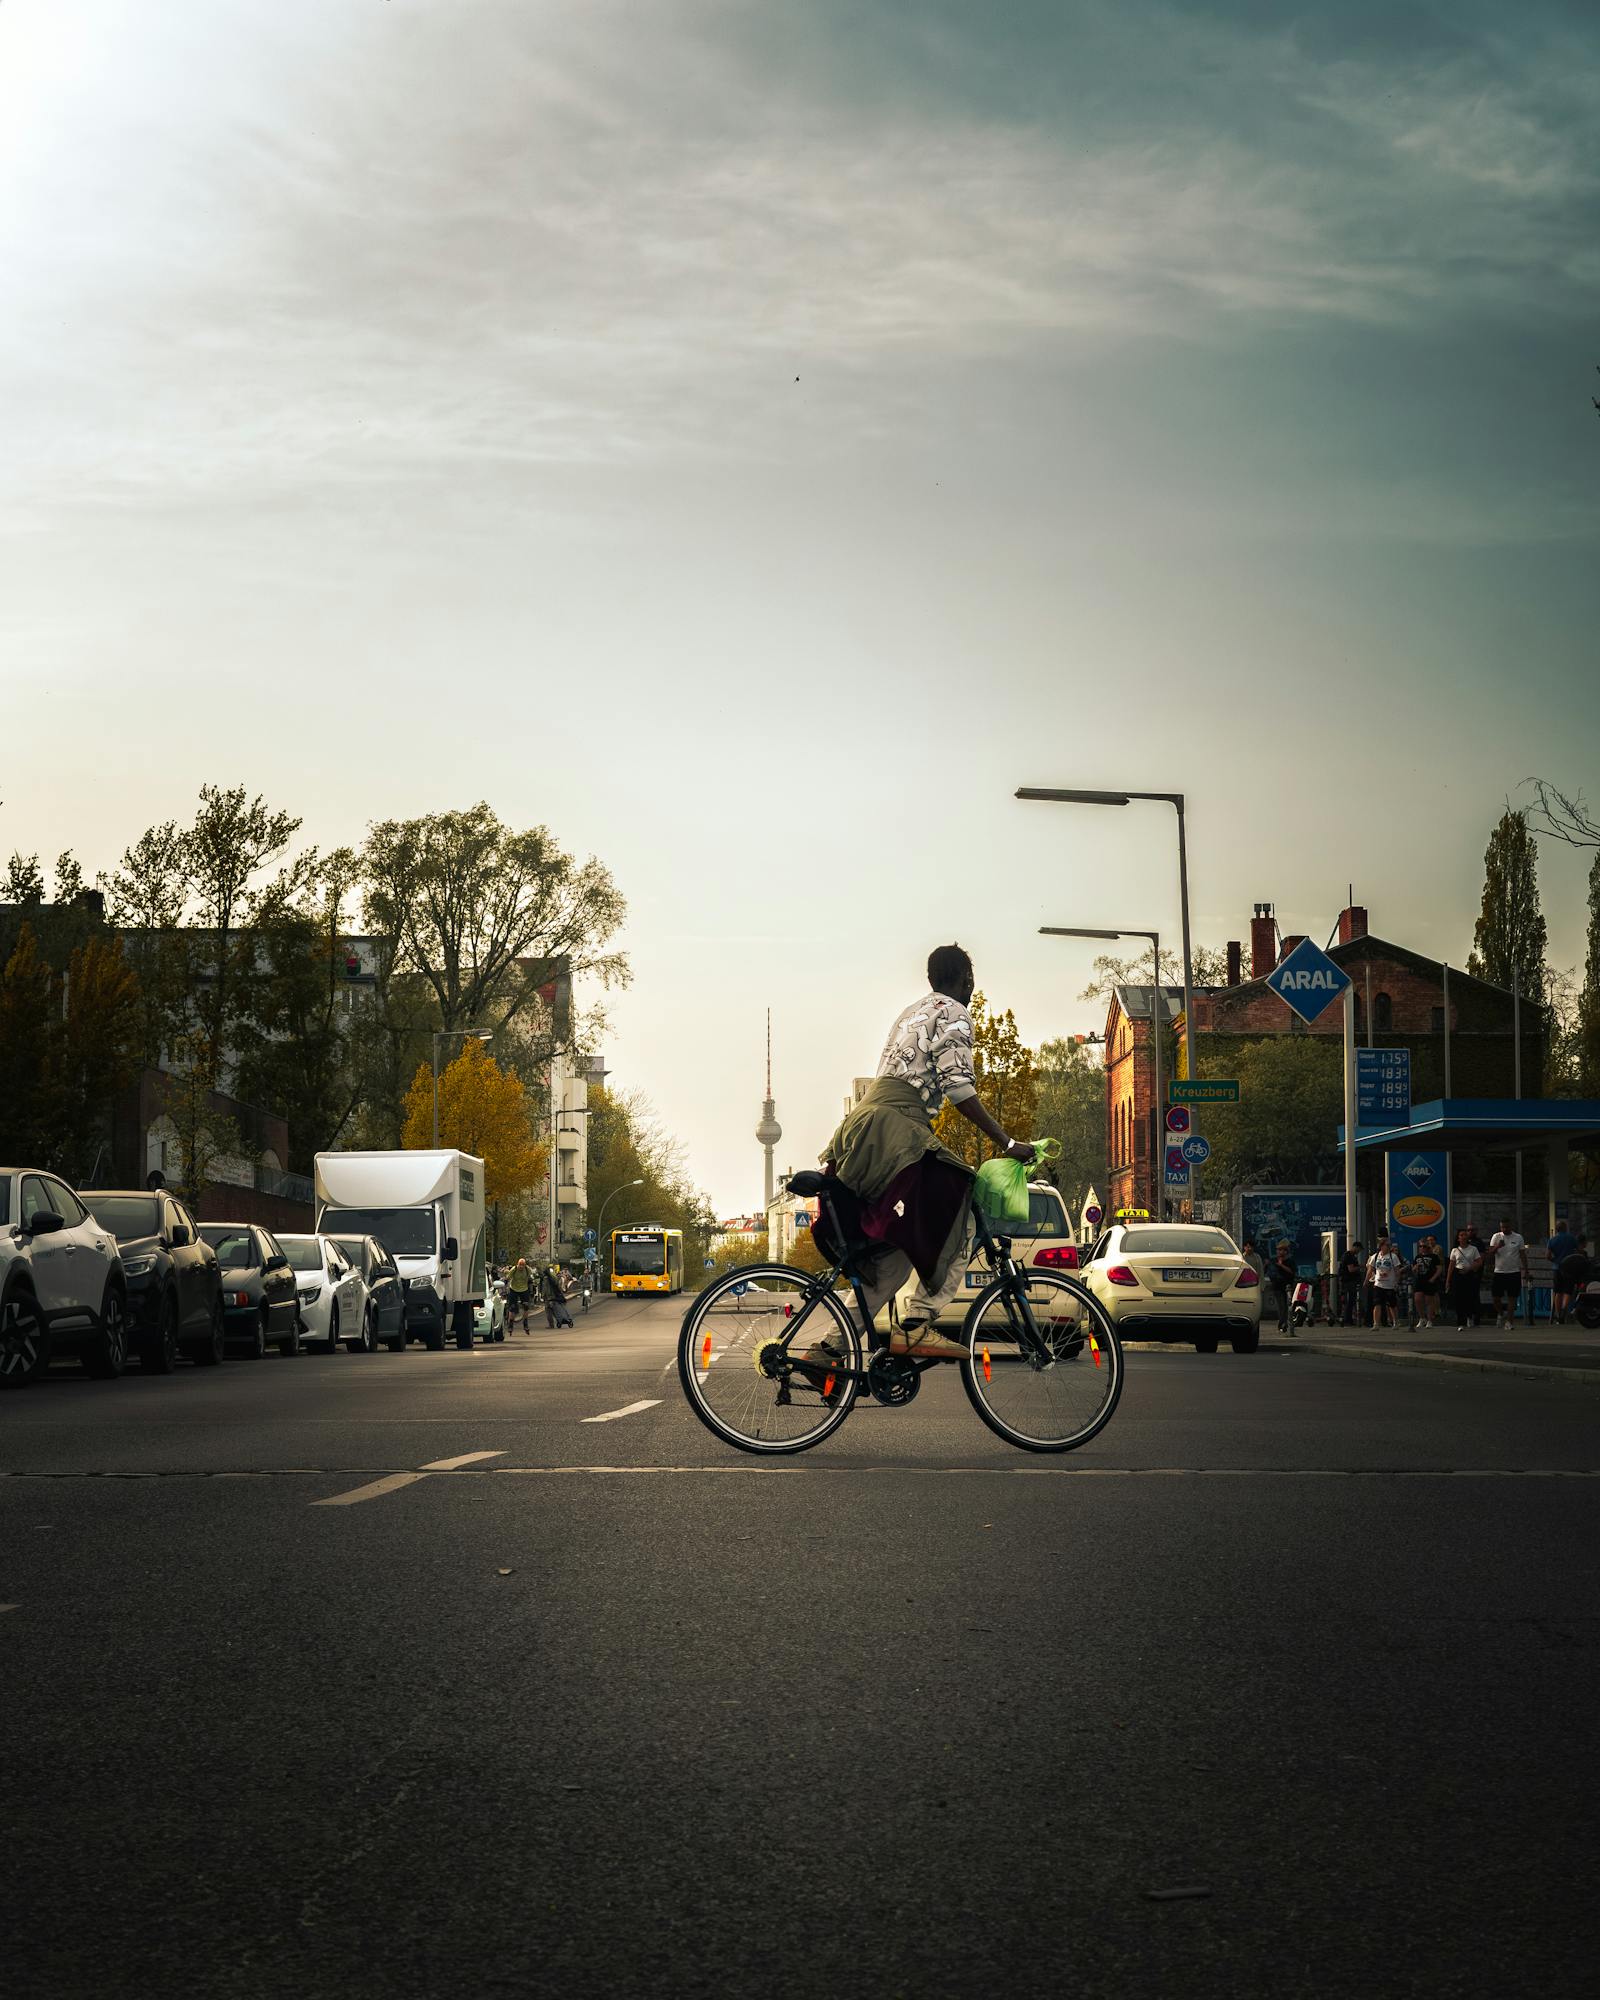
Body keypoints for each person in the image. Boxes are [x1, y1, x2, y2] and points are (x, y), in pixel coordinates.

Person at [816, 943, 1035, 1360]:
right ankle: (917, 1324)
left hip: (860, 1129)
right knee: (963, 1202)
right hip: (895, 1130)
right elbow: (958, 1088)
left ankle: (829, 1349)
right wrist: (1007, 1142)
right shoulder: (954, 1012)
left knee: (896, 1254)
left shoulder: (910, 1012)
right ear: (967, 979)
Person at [1488, 1215, 1530, 1331]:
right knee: (1496, 1298)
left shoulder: (1518, 1237)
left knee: (1512, 1298)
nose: (1504, 1229)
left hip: (1513, 1272)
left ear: (1510, 1226)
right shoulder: (1496, 1237)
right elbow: (1490, 1253)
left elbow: (1522, 1254)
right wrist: (1498, 1246)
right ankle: (1501, 1313)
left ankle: (1509, 1322)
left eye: (1506, 1227)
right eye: (1502, 1227)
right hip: (1499, 1272)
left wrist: (1526, 1270)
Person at [1447, 1226, 1483, 1330]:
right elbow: (1451, 1265)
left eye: (1465, 1235)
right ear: (1458, 1238)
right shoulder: (1455, 1250)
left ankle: (1470, 1316)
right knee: (1459, 1298)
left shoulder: (1473, 1249)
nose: (1463, 1237)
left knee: (1470, 1297)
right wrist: (1448, 1280)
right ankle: (1460, 1322)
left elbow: (1479, 1262)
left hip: (1469, 1274)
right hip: (1458, 1274)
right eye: (1461, 1235)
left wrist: (1470, 1268)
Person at [1554, 1233, 1591, 1327]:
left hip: (1559, 1268)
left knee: (1558, 1292)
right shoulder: (1582, 1253)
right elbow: (1585, 1268)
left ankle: (1559, 1316)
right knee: (1568, 1292)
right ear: (1584, 1243)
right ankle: (1566, 1312)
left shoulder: (1570, 1250)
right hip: (1574, 1276)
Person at [1408, 1235, 1444, 1330]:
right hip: (1420, 1280)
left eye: (1424, 1246)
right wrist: (1415, 1268)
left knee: (1429, 1300)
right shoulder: (1417, 1257)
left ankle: (1429, 1320)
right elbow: (1413, 1269)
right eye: (1420, 1246)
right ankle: (1422, 1318)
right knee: (1417, 1299)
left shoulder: (1434, 1257)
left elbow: (1439, 1268)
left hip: (1429, 1279)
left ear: (1428, 1247)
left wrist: (1433, 1278)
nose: (1422, 1248)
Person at [1367, 1235, 1403, 1330]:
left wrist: (1396, 1282)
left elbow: (1397, 1270)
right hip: (1378, 1284)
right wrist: (1366, 1281)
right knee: (1377, 1303)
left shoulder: (1393, 1256)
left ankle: (1395, 1322)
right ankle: (1376, 1324)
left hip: (1390, 1285)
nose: (1388, 1247)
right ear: (1381, 1246)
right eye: (1387, 1245)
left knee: (1392, 1304)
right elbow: (1370, 1269)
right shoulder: (1375, 1256)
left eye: (1389, 1245)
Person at [1268, 1240, 1297, 1334]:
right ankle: (1282, 1324)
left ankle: (1285, 1323)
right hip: (1277, 1287)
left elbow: (1292, 1272)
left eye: (1283, 1250)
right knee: (1282, 1307)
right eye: (1279, 1250)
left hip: (1288, 1286)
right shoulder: (1273, 1261)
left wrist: (1281, 1265)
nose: (1281, 1252)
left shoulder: (1290, 1261)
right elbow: (1271, 1273)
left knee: (1288, 1306)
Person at [1337, 1240, 1364, 1327]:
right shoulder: (1349, 1256)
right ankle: (1347, 1319)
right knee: (1350, 1300)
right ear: (1355, 1247)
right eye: (1359, 1249)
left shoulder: (1351, 1256)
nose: (1359, 1252)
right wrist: (1360, 1266)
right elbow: (1351, 1269)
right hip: (1348, 1281)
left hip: (1349, 1281)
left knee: (1350, 1301)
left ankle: (1348, 1319)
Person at [506, 1257, 534, 1331]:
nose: (521, 1267)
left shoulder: (528, 1270)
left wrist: (531, 1291)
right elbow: (508, 1278)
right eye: (520, 1265)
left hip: (524, 1289)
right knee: (512, 1307)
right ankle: (510, 1324)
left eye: (523, 1265)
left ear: (525, 1265)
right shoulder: (514, 1269)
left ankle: (525, 1323)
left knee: (526, 1306)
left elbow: (531, 1278)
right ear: (517, 1264)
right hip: (514, 1289)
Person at [539, 1261, 568, 1330]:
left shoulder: (545, 1279)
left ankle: (552, 1324)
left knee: (548, 1310)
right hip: (554, 1296)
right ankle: (559, 1320)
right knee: (555, 1309)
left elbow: (545, 1289)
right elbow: (557, 1285)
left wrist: (543, 1295)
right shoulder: (553, 1277)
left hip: (548, 1297)